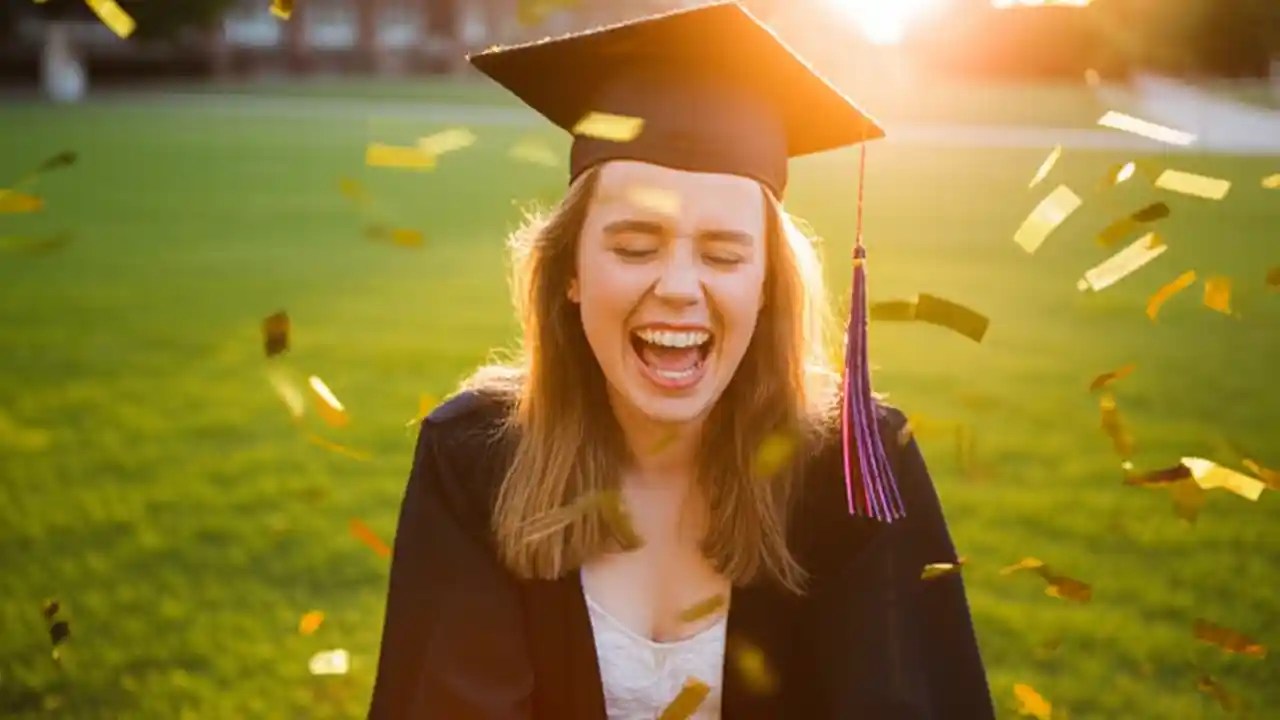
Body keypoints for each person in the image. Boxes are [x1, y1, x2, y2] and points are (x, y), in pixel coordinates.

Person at [368, 2, 994, 718]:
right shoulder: (477, 461)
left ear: (767, 285)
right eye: (635, 246)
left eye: (724, 254)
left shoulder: (851, 469)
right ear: (569, 271)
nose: (678, 288)